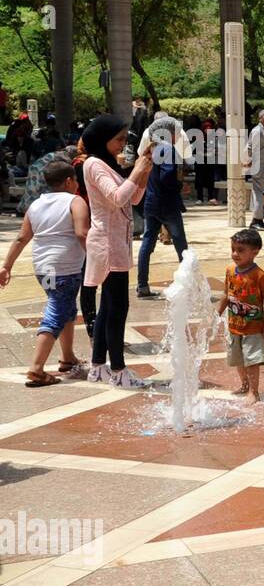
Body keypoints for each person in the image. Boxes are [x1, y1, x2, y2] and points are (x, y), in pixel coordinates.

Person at [0, 156, 90, 386]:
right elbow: (82, 234)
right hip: (65, 268)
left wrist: (6, 266)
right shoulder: (75, 202)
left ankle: (67, 358)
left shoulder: (35, 204)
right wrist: (98, 258)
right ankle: (37, 368)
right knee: (56, 311)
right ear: (70, 181)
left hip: (44, 268)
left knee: (65, 307)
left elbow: (22, 238)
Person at [82, 115, 153, 387]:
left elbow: (132, 198)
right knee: (117, 308)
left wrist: (143, 171)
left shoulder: (107, 164)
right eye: (119, 139)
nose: (124, 143)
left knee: (108, 307)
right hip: (108, 243)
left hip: (116, 242)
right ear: (103, 139)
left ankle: (98, 366)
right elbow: (116, 198)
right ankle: (119, 371)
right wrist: (136, 171)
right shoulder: (94, 164)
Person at [218, 229, 264, 402]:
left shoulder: (259, 275)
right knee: (238, 359)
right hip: (234, 326)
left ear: (255, 252)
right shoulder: (230, 270)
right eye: (233, 249)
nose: (235, 253)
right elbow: (226, 296)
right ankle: (244, 384)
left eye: (240, 250)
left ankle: (254, 391)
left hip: (253, 327)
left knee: (252, 360)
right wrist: (216, 314)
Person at [135, 122, 189, 298]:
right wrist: (180, 185)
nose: (179, 136)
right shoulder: (167, 150)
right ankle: (187, 284)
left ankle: (142, 286)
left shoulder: (152, 149)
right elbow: (167, 177)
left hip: (151, 202)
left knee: (147, 243)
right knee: (181, 245)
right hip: (167, 204)